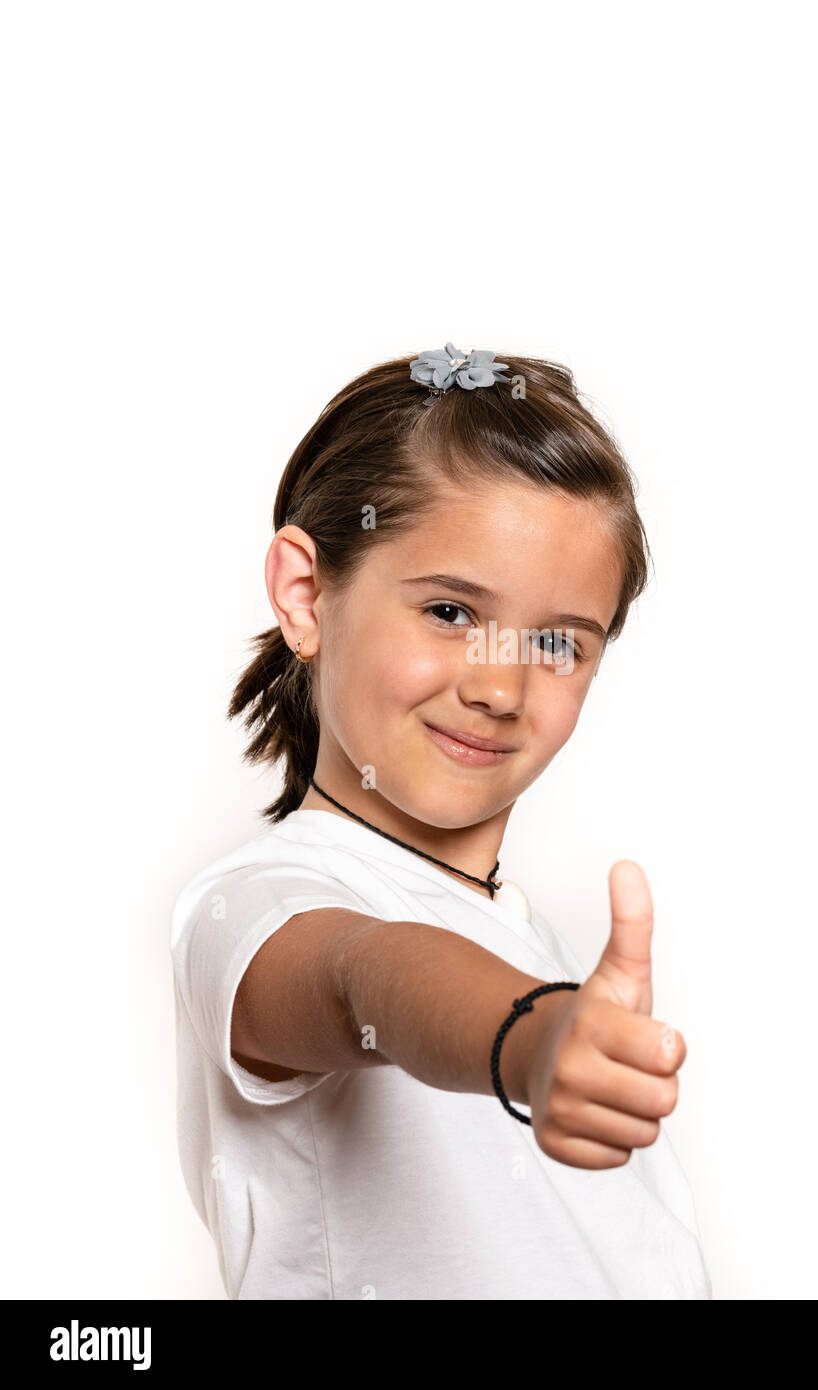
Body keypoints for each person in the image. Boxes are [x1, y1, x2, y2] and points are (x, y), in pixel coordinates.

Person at [169, 343, 712, 1300]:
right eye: (452, 611)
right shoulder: (257, 904)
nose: (500, 685)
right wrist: (531, 1040)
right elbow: (363, 980)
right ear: (306, 594)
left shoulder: (531, 938)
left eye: (555, 642)